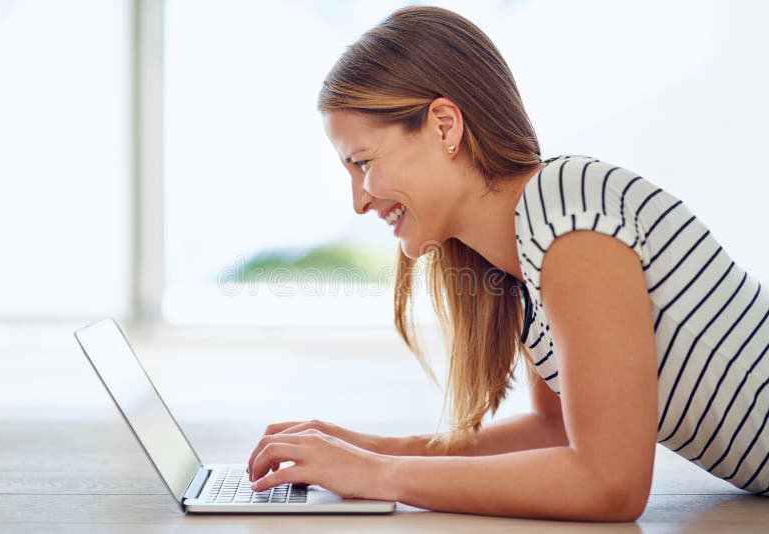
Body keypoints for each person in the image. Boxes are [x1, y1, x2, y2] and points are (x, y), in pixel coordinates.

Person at [244, 5, 769, 521]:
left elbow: (611, 484)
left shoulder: (567, 215)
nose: (359, 201)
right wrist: (373, 450)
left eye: (363, 163)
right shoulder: (521, 259)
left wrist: (379, 474)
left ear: (445, 126)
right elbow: (556, 429)